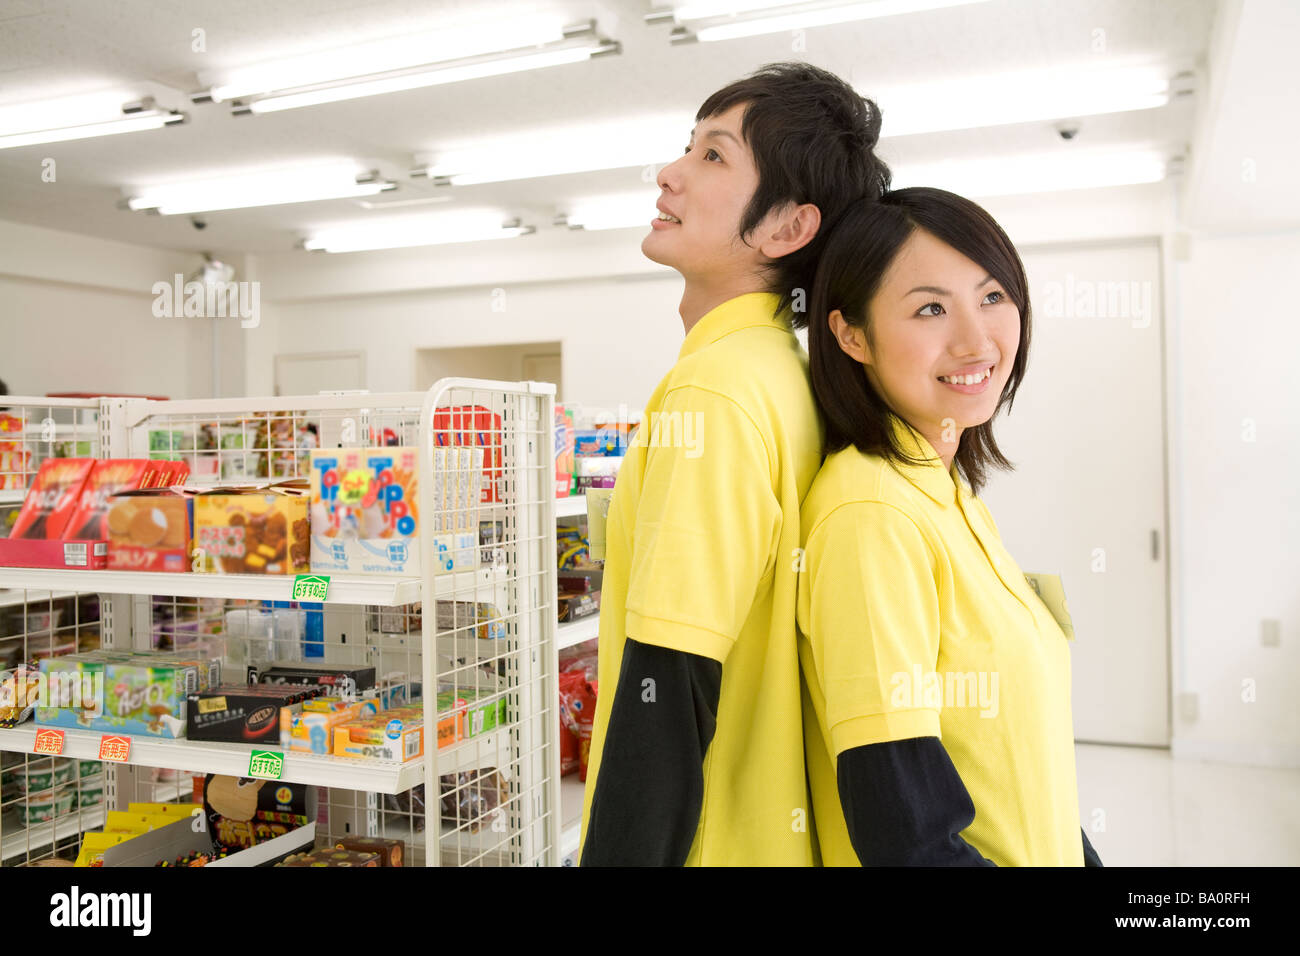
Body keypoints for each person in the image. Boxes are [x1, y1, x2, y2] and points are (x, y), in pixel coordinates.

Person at [578, 62, 890, 866]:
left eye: (713, 156)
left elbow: (668, 687)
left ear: (787, 228)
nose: (669, 173)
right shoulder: (787, 375)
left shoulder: (715, 391)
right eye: (688, 147)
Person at [798, 187, 1103, 866]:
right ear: (851, 335)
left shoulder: (948, 491)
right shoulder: (871, 516)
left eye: (993, 296)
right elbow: (907, 837)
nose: (976, 339)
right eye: (931, 308)